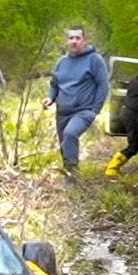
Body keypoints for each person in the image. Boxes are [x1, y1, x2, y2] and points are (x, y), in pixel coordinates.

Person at [41, 27, 110, 179]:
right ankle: (68, 173)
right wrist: (50, 98)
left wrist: (94, 110)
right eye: (71, 38)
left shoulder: (94, 60)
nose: (74, 41)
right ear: (67, 41)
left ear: (84, 41)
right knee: (64, 144)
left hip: (83, 111)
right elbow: (55, 84)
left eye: (78, 38)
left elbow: (103, 86)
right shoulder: (61, 62)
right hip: (62, 111)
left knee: (70, 134)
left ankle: (73, 176)